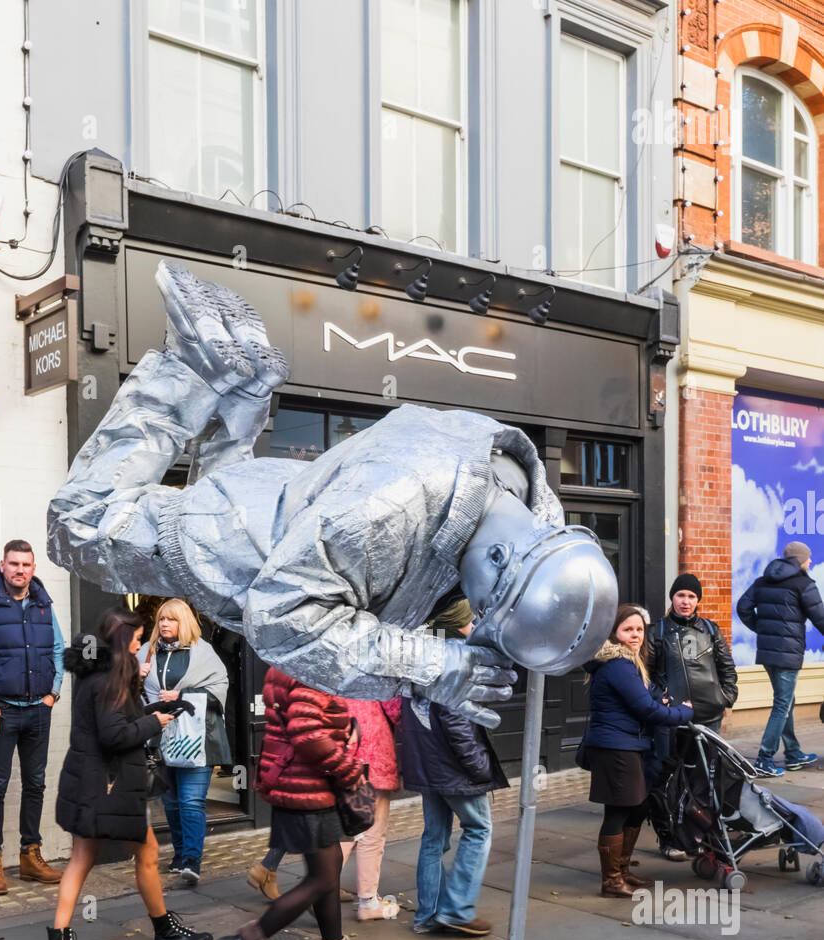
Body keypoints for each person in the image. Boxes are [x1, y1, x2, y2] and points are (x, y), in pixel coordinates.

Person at [47, 260, 618, 728]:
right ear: (499, 559)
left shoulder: (533, 510)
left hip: (283, 505)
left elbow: (414, 581)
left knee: (223, 492)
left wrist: (430, 675)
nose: (479, 622)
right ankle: (191, 369)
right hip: (239, 541)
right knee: (78, 521)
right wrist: (428, 663)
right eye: (494, 606)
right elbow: (282, 618)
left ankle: (243, 393)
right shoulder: (392, 507)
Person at [45, 608, 213, 940]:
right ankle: (165, 932)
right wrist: (154, 721)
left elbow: (116, 721)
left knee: (81, 859)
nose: (140, 647)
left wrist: (152, 706)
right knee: (148, 853)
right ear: (124, 640)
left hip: (88, 782)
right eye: (137, 640)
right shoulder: (110, 679)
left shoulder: (99, 674)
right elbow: (115, 735)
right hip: (110, 785)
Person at [217, 669, 380, 940]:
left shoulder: (294, 666)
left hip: (302, 787)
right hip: (308, 791)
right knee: (322, 879)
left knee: (328, 871)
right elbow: (307, 734)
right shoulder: (310, 670)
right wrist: (349, 769)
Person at [0, 540, 65, 895]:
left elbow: (57, 649)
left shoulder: (43, 603)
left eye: (27, 565)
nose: (20, 570)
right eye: (14, 564)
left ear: (33, 568)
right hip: (0, 710)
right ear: (2, 566)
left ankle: (30, 856)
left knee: (36, 784)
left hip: (39, 709)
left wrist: (53, 693)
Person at [398, 622, 508, 937]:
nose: (474, 625)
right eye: (469, 621)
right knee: (479, 829)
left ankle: (428, 915)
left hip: (429, 767)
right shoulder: (452, 666)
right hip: (453, 770)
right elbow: (458, 725)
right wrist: (481, 769)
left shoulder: (417, 669)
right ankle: (457, 910)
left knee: (434, 837)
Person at [582, 605, 693, 897]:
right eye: (628, 629)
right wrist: (682, 713)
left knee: (638, 806)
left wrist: (662, 700)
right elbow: (645, 708)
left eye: (639, 630)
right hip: (615, 747)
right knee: (619, 810)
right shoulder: (619, 665)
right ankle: (611, 880)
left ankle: (622, 869)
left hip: (628, 744)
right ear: (615, 633)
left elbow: (647, 696)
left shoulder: (631, 663)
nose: (635, 635)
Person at [138, 598, 231, 885]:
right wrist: (132, 676)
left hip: (197, 738)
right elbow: (129, 695)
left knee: (191, 801)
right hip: (160, 736)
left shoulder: (203, 653)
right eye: (162, 619)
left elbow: (219, 690)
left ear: (185, 622)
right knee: (171, 803)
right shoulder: (146, 653)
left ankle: (192, 860)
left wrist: (182, 695)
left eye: (172, 619)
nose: (164, 624)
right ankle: (179, 856)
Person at [647, 573, 738, 859]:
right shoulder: (656, 631)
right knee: (667, 778)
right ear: (672, 598)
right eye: (680, 596)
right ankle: (669, 838)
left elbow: (727, 668)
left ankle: (699, 833)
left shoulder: (710, 629)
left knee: (703, 778)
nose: (685, 602)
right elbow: (644, 672)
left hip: (709, 717)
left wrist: (726, 697)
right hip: (671, 719)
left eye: (691, 596)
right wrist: (656, 698)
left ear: (698, 600)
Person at [737, 541, 824, 777]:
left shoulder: (763, 581)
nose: (811, 561)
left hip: (768, 652)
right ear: (799, 560)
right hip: (788, 653)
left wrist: (763, 630)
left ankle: (794, 753)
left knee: (786, 700)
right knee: (782, 705)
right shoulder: (804, 584)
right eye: (808, 558)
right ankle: (765, 758)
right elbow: (820, 617)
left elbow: (743, 607)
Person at [340, 698, 403, 920]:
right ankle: (368, 902)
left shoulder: (332, 668)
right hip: (373, 749)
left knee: (347, 831)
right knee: (372, 833)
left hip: (345, 749)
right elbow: (397, 711)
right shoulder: (378, 668)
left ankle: (318, 887)